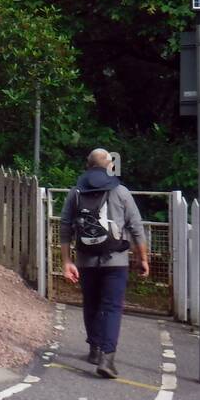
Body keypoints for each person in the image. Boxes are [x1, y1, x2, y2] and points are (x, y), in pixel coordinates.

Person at [60, 149, 149, 378]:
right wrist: (143, 258)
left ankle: (94, 349)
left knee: (91, 303)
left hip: (85, 259)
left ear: (87, 165)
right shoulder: (121, 192)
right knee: (111, 307)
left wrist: (66, 261)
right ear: (110, 166)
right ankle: (107, 359)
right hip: (116, 260)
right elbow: (136, 227)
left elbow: (65, 227)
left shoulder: (75, 192)